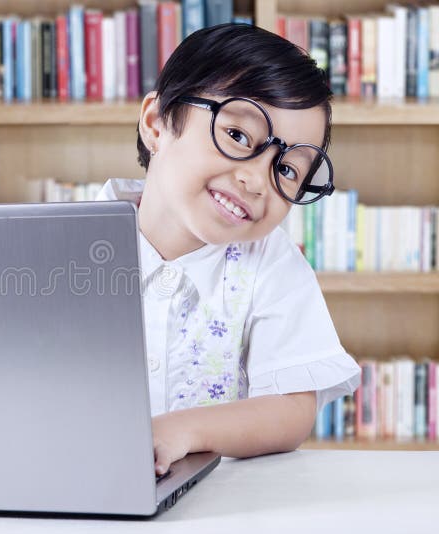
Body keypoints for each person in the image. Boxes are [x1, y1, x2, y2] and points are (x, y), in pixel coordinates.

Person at [94, 23, 361, 475]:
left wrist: (180, 431)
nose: (257, 181)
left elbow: (290, 412)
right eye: (238, 136)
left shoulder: (271, 264)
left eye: (289, 170)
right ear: (157, 124)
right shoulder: (68, 243)